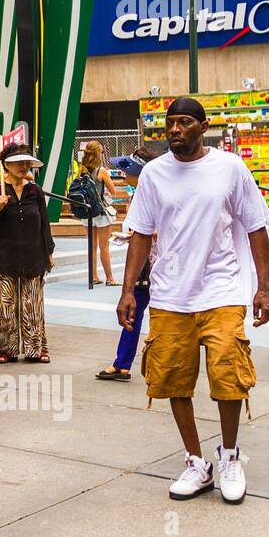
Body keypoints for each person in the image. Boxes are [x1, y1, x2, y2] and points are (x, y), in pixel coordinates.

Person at [118, 97, 269, 505]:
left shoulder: (230, 168)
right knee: (172, 379)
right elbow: (140, 233)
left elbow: (257, 226)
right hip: (170, 295)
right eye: (170, 123)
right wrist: (128, 291)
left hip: (221, 291)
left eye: (184, 122)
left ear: (202, 126)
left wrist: (263, 287)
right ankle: (196, 462)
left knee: (229, 375)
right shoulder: (153, 174)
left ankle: (229, 456)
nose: (175, 130)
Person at [0, 144, 56, 363]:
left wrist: (49, 252)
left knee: (32, 304)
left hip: (33, 255)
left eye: (26, 162)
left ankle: (36, 349)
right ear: (6, 165)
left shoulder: (34, 190)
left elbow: (44, 224)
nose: (23, 166)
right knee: (5, 305)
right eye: (18, 162)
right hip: (4, 257)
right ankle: (6, 350)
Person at [97, 147, 162, 381]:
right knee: (132, 310)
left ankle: (159, 362)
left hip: (160, 265)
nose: (123, 174)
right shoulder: (139, 194)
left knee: (164, 315)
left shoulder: (159, 194)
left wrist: (147, 234)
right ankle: (123, 363)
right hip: (144, 264)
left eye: (128, 170)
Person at [78, 140, 124, 285]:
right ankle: (110, 278)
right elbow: (113, 191)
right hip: (102, 212)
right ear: (99, 153)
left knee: (92, 245)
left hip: (87, 211)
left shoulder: (82, 170)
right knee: (104, 246)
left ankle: (94, 276)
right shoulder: (101, 171)